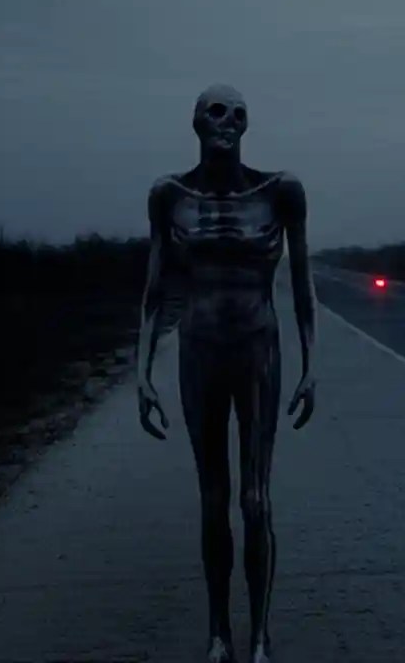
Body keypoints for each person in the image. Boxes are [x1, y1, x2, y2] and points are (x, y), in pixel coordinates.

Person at [135, 84, 317, 663]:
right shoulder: (169, 196)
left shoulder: (280, 192)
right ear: (195, 123)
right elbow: (154, 288)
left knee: (255, 499)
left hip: (258, 348)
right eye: (217, 112)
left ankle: (260, 638)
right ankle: (220, 634)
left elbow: (303, 283)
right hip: (199, 350)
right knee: (212, 499)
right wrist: (141, 372)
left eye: (238, 115)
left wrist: (312, 364)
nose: (228, 123)